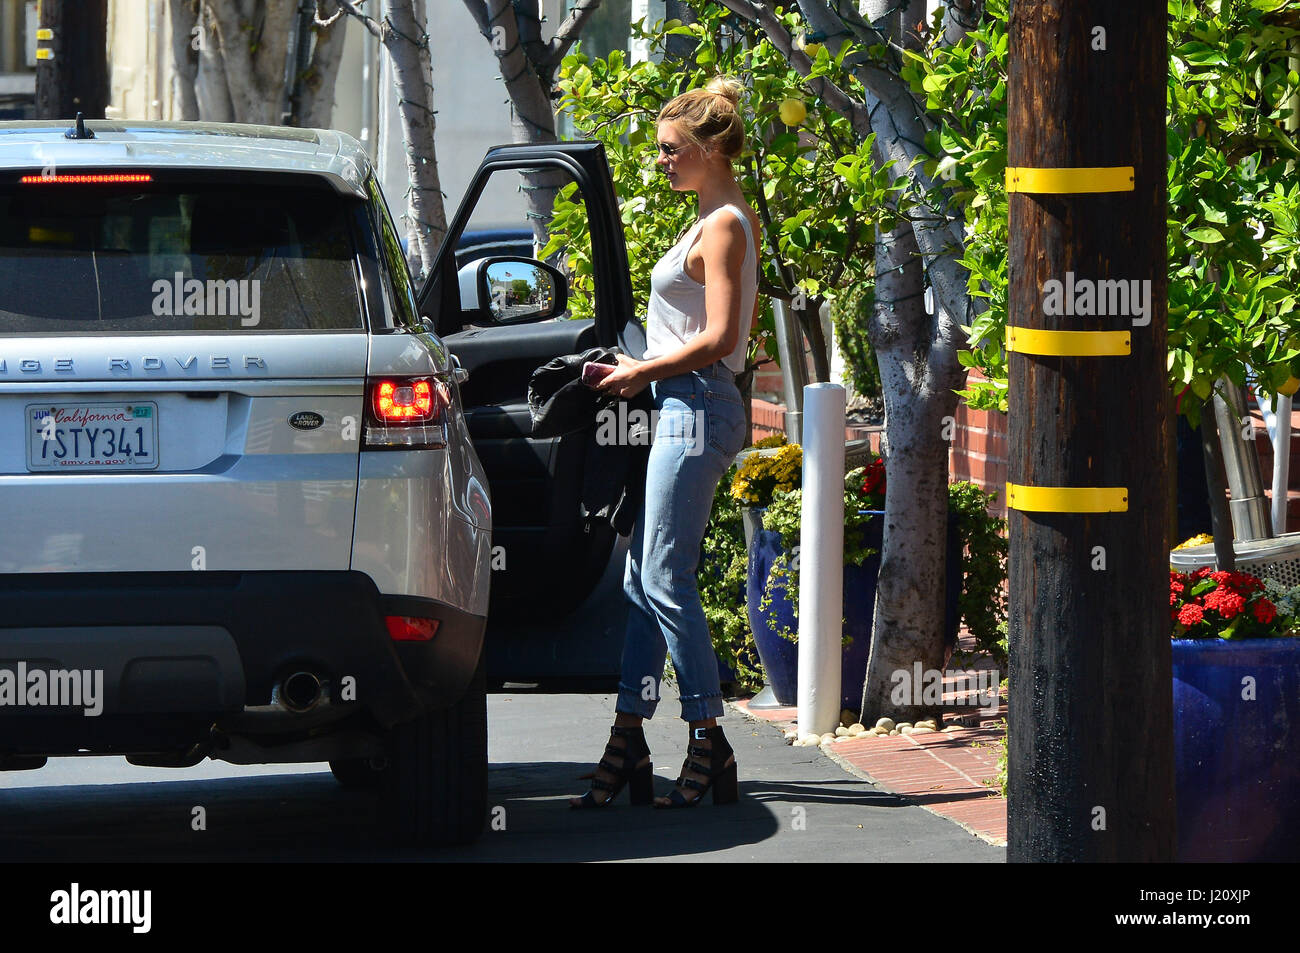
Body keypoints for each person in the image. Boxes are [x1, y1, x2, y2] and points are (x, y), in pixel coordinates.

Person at [570, 76, 760, 809]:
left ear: (710, 149)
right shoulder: (708, 216)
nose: (661, 162)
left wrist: (642, 369)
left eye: (671, 150)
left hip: (700, 404)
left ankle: (709, 737)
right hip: (681, 400)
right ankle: (629, 739)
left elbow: (719, 339)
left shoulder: (725, 226)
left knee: (664, 577)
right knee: (640, 578)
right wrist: (641, 368)